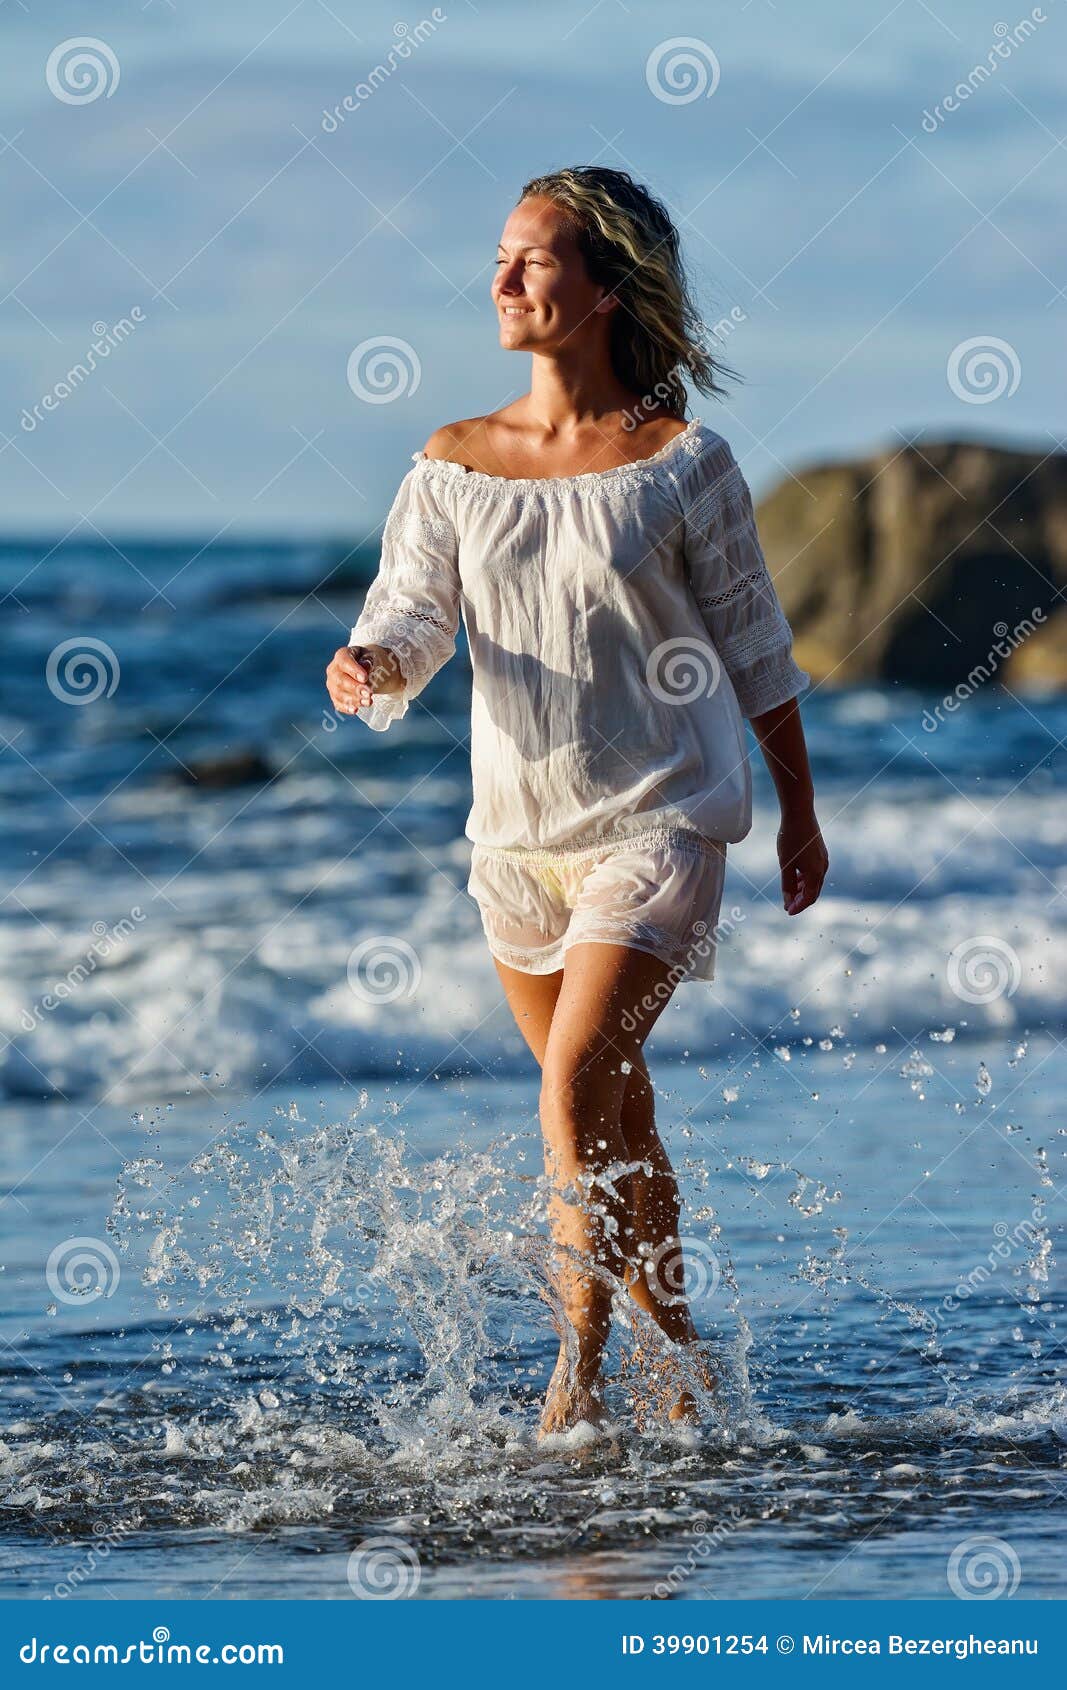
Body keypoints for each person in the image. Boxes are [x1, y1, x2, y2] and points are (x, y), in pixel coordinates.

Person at [325, 165, 828, 1440]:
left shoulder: (678, 464)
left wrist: (798, 809)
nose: (501, 280)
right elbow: (411, 616)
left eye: (533, 261)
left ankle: (574, 1384)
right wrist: (373, 662)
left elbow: (755, 644)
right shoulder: (451, 462)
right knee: (617, 1105)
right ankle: (683, 1359)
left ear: (604, 287)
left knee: (565, 1098)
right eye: (500, 256)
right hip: (514, 844)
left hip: (659, 819)